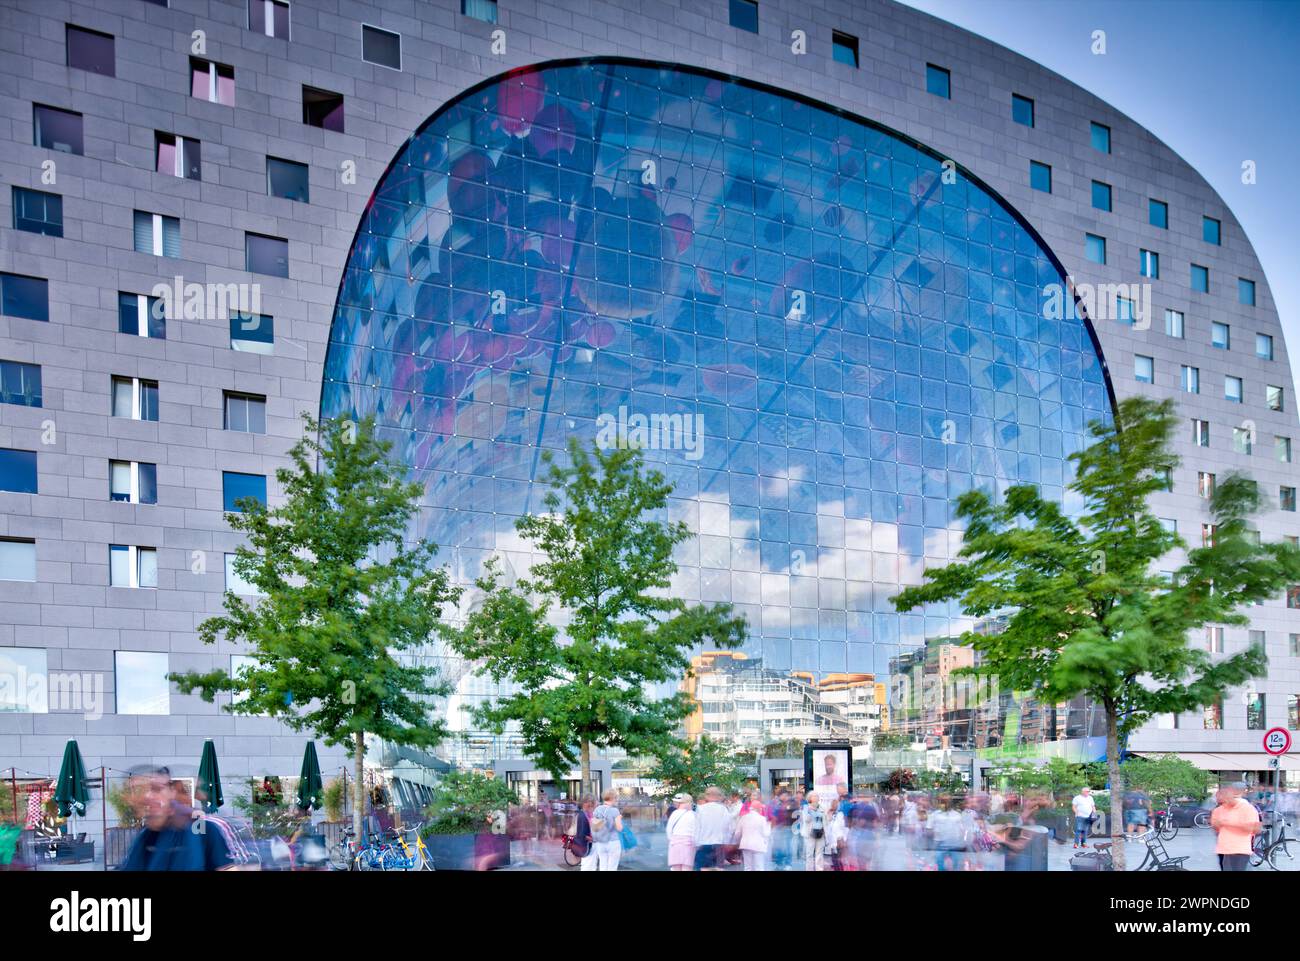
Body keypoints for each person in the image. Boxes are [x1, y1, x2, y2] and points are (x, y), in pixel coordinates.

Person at [120, 765, 233, 871]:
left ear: (172, 793)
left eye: (157, 789)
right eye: (139, 790)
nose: (147, 796)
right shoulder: (143, 838)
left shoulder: (202, 828)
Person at [1210, 782, 1261, 871]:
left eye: (1225, 795)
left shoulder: (1247, 808)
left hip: (1240, 849)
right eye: (1219, 796)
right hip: (1225, 849)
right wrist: (1217, 823)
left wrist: (1228, 823)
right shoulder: (1219, 810)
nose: (1220, 798)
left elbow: (1255, 828)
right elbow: (1216, 828)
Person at [693, 787, 734, 870]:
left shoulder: (700, 809)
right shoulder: (723, 809)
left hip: (703, 843)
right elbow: (729, 827)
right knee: (717, 868)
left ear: (707, 796)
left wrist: (696, 844)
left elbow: (696, 828)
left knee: (702, 868)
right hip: (719, 844)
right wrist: (727, 842)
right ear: (718, 796)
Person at [589, 789, 624, 871]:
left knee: (603, 866)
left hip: (600, 842)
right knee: (612, 867)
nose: (616, 800)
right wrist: (620, 819)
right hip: (613, 842)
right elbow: (619, 828)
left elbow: (594, 824)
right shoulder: (615, 811)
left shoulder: (597, 809)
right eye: (616, 798)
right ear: (613, 798)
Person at [734, 798, 772, 871]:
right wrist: (769, 825)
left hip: (745, 845)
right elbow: (766, 834)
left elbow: (737, 833)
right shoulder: (762, 819)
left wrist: (739, 841)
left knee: (748, 867)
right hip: (758, 845)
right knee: (759, 867)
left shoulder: (743, 818)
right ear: (759, 808)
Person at [798, 791, 829, 871]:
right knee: (809, 854)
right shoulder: (806, 808)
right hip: (810, 834)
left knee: (819, 854)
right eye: (814, 796)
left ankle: (819, 869)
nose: (816, 797)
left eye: (817, 796)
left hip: (820, 833)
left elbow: (826, 821)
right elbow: (806, 819)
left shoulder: (822, 808)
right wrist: (809, 811)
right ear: (810, 798)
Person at [666, 793, 697, 871]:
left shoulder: (674, 813)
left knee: (676, 867)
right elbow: (695, 831)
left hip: (675, 843)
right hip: (688, 844)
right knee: (687, 868)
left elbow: (669, 829)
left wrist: (672, 840)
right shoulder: (693, 815)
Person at [573, 795, 596, 871]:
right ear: (586, 803)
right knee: (588, 865)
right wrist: (593, 839)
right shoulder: (582, 815)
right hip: (586, 844)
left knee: (590, 864)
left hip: (587, 844)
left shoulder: (585, 814)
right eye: (592, 803)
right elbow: (582, 833)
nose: (592, 806)